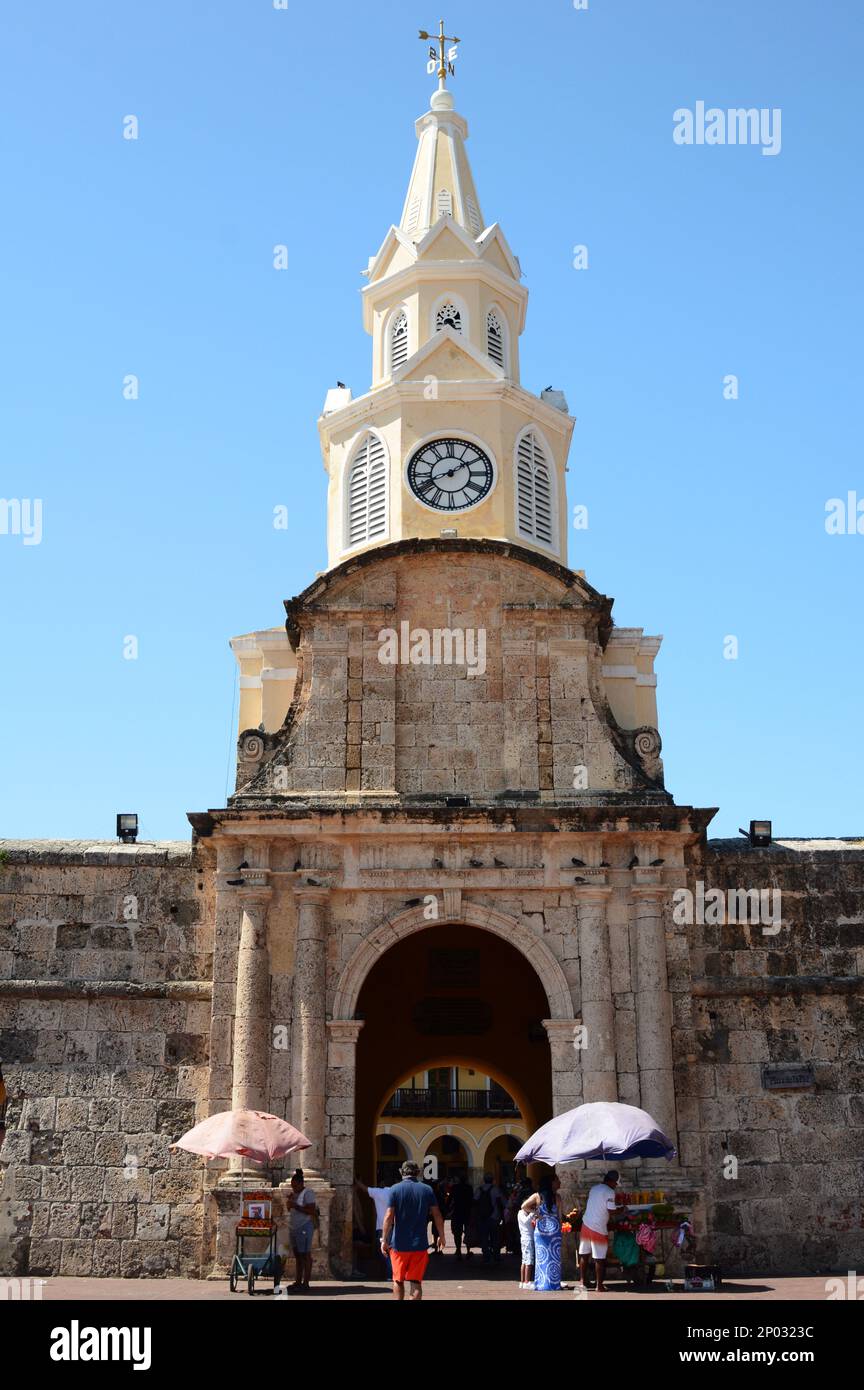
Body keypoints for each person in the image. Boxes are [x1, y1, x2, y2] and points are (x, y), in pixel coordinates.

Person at [381, 1160, 446, 1302]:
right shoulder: (427, 1190)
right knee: (416, 1282)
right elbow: (437, 1214)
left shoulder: (395, 1189)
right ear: (417, 1172)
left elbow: (388, 1216)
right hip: (420, 1245)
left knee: (398, 1280)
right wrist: (441, 1236)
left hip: (399, 1245)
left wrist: (383, 1239)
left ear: (401, 1172)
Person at [579, 1169, 620, 1293]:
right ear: (612, 1182)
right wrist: (623, 1209)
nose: (616, 1186)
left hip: (586, 1224)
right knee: (599, 1258)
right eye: (616, 1183)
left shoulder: (594, 1188)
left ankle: (582, 1282)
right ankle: (599, 1286)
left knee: (584, 1254)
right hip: (598, 1228)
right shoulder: (610, 1192)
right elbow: (611, 1211)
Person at [522, 1174, 562, 1292]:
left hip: (541, 1232)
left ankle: (542, 1284)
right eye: (556, 1180)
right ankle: (553, 1284)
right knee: (554, 1259)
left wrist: (536, 1212)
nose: (558, 1182)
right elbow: (560, 1217)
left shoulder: (537, 1196)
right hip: (554, 1232)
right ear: (551, 1183)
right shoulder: (557, 1197)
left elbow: (524, 1206)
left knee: (541, 1259)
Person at [285, 1168, 317, 1293]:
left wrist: (295, 1206)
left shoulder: (308, 1193)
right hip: (295, 1228)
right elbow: (291, 1210)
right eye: (292, 1186)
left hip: (304, 1227)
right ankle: (298, 1281)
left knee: (305, 1255)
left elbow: (312, 1210)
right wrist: (290, 1203)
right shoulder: (294, 1194)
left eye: (295, 1186)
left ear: (301, 1184)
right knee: (298, 1255)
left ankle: (306, 1283)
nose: (293, 1188)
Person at [354, 1176, 392, 1277]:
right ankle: (392, 1274)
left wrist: (356, 1180)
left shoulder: (379, 1192)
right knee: (393, 1251)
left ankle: (388, 1274)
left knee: (383, 1252)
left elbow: (364, 1189)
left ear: (383, 1183)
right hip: (394, 1227)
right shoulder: (396, 1192)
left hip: (381, 1227)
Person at [474, 1173, 504, 1264]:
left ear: (484, 1180)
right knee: (495, 1237)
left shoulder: (479, 1189)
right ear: (492, 1180)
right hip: (494, 1217)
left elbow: (474, 1202)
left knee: (484, 1238)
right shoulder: (495, 1189)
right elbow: (500, 1203)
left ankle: (486, 1256)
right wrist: (501, 1215)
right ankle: (496, 1255)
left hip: (482, 1217)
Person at [515, 1179, 537, 1288]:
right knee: (528, 1260)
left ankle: (523, 1281)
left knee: (525, 1259)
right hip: (527, 1239)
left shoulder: (523, 1213)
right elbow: (526, 1221)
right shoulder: (521, 1213)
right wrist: (533, 1213)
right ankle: (526, 1281)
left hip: (526, 1238)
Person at [449, 1172, 473, 1260]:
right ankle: (468, 1251)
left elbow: (450, 1199)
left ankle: (458, 1250)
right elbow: (472, 1200)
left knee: (457, 1233)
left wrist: (448, 1209)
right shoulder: (469, 1188)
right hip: (466, 1213)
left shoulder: (454, 1188)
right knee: (467, 1232)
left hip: (457, 1212)